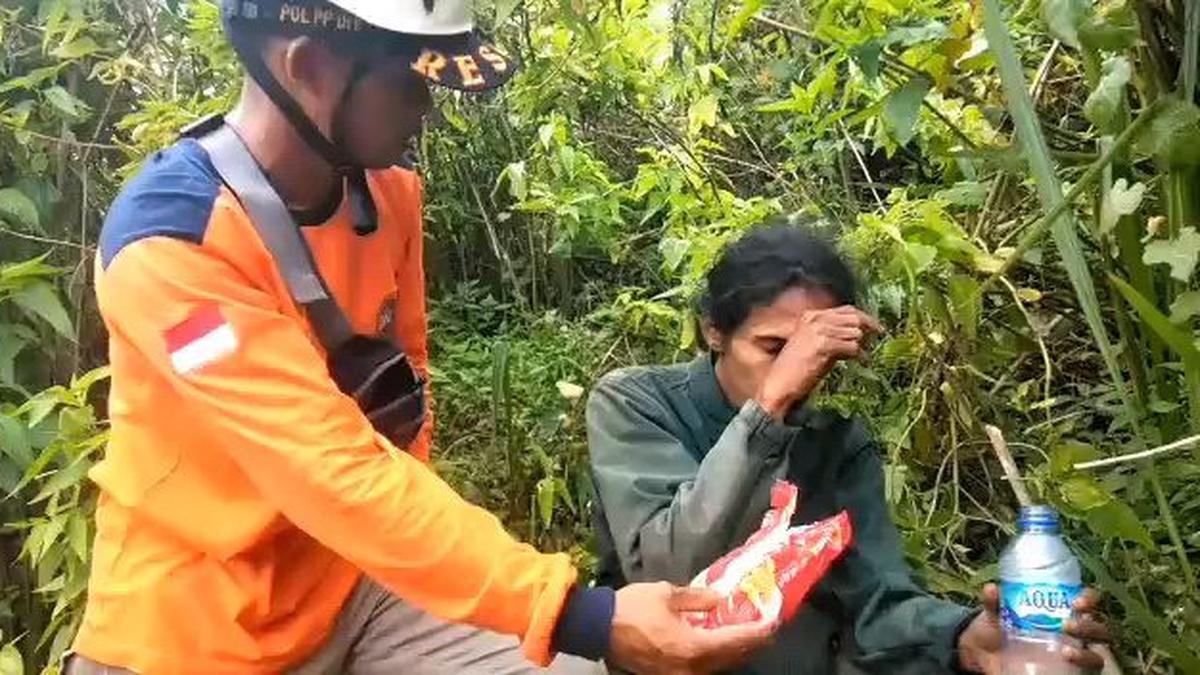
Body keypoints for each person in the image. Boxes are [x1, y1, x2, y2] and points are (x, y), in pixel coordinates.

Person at [68, 1, 776, 673]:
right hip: (189, 630)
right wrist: (574, 610)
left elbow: (402, 410)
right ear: (310, 67)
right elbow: (331, 469)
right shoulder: (173, 245)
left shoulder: (389, 193)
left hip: (353, 584)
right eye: (412, 82)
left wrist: (496, 592)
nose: (428, 108)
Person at [587, 221, 1112, 674]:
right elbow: (665, 570)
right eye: (773, 348)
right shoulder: (635, 401)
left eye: (810, 353)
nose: (800, 372)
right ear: (714, 333)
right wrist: (768, 410)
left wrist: (961, 637)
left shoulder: (837, 441)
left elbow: (876, 602)